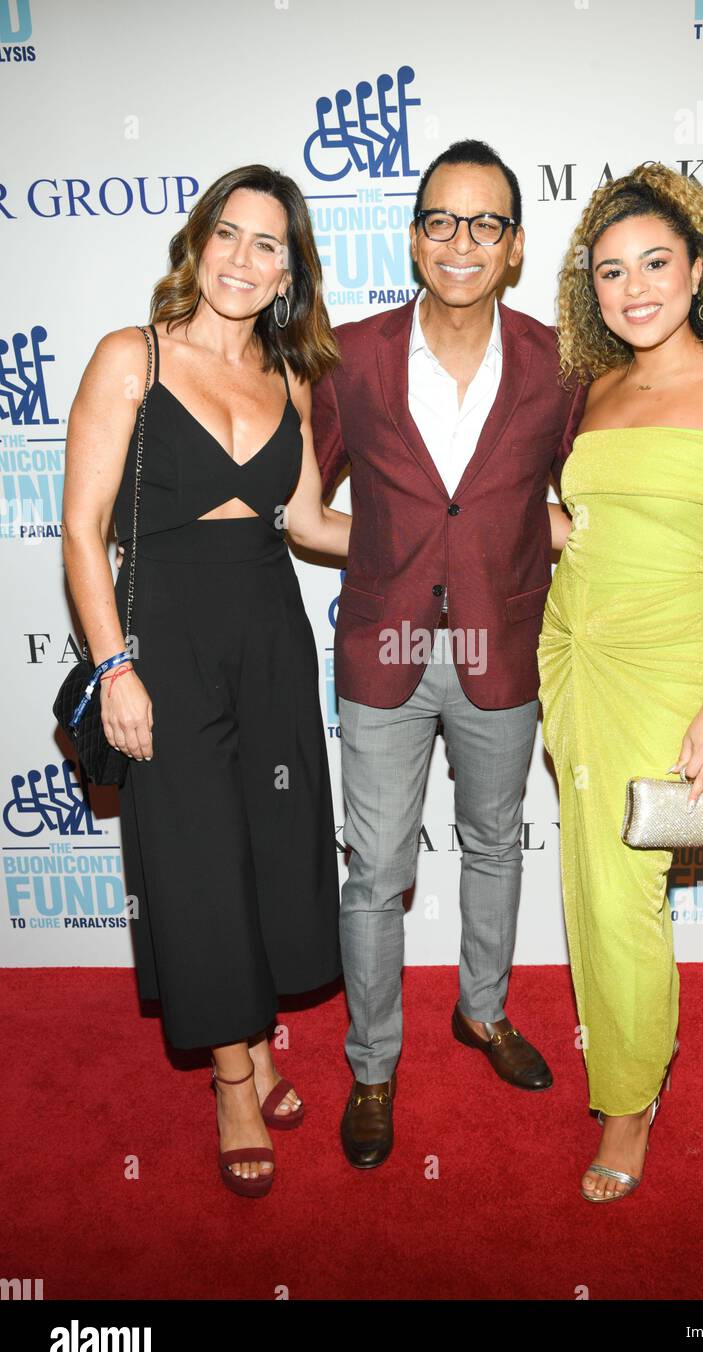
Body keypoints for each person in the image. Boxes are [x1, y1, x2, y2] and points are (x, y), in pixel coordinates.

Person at [312, 140, 703, 1170]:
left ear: (511, 247)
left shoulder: (559, 365)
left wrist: (678, 554)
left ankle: (484, 1011)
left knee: (495, 843)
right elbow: (300, 510)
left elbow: (584, 499)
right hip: (385, 648)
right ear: (415, 237)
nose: (462, 243)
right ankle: (372, 1067)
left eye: (486, 224)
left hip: (506, 647)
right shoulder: (352, 354)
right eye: (442, 222)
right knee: (374, 871)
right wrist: (387, 551)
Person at [61, 165, 350, 1198]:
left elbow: (311, 523)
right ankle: (234, 1077)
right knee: (191, 860)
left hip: (270, 628)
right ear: (197, 243)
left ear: (288, 271)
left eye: (268, 244)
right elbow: (83, 536)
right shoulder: (129, 358)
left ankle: (259, 1041)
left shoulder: (290, 379)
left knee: (270, 848)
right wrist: (116, 667)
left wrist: (455, 547)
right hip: (163, 635)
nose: (243, 258)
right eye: (229, 234)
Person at [537, 162, 703, 1203]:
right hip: (572, 649)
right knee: (592, 883)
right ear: (587, 288)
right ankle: (625, 1062)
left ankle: (630, 1101)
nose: (631, 287)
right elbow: (579, 523)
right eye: (608, 271)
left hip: (668, 663)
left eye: (652, 262)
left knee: (623, 893)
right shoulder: (594, 388)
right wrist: (543, 524)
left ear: (696, 270)